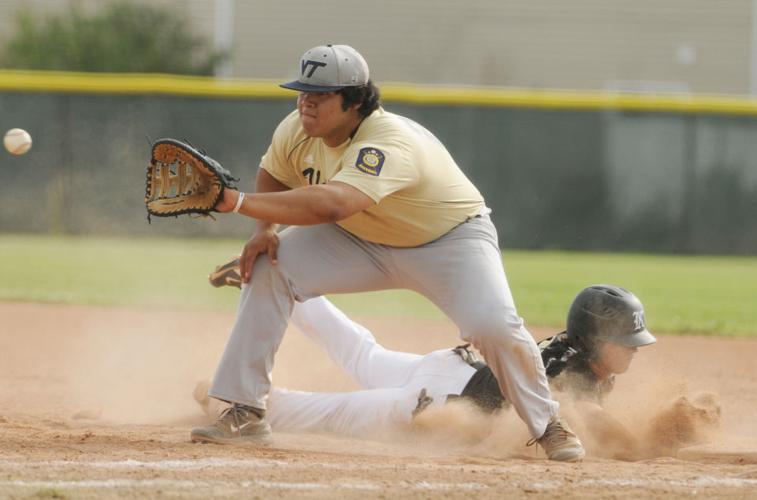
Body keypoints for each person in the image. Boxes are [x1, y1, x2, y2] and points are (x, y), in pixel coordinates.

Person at [190, 44, 583, 461]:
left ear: (355, 101)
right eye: (302, 91)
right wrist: (264, 229)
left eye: (320, 95)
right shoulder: (298, 126)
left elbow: (333, 204)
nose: (306, 101)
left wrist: (235, 202)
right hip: (360, 237)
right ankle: (244, 409)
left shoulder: (389, 142)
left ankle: (547, 425)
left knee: (494, 326)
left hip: (448, 241)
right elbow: (274, 171)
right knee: (270, 263)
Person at [197, 273, 658, 456]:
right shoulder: (573, 370)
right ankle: (231, 399)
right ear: (597, 340)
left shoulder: (577, 354)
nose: (635, 349)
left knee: (361, 351)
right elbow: (590, 419)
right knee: (329, 411)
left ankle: (273, 281)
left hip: (452, 370)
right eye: (627, 340)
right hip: (431, 399)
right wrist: (645, 443)